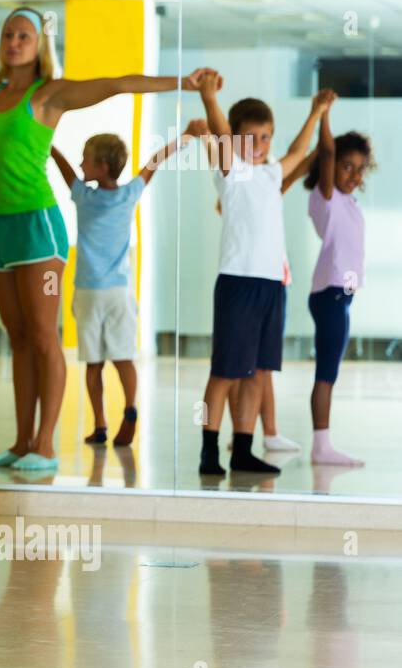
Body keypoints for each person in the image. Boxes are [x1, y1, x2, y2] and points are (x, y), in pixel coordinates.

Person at [0, 6, 212, 470]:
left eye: (23, 35)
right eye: (7, 34)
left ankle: (44, 444)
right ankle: (21, 442)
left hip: (37, 227)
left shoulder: (50, 94)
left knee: (43, 337)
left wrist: (185, 82)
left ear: (40, 44)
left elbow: (118, 83)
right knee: (17, 338)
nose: (13, 42)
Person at [196, 76, 333, 475]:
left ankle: (243, 448)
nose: (261, 146)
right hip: (237, 282)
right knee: (224, 372)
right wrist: (210, 98)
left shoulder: (272, 174)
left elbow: (298, 150)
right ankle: (208, 449)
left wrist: (316, 112)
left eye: (266, 137)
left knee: (259, 371)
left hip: (271, 285)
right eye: (252, 138)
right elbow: (221, 132)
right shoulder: (232, 172)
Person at [51, 121, 206, 446]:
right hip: (119, 292)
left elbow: (63, 166)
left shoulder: (82, 196)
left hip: (88, 293)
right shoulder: (129, 194)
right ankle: (130, 410)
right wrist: (185, 137)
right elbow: (153, 163)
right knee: (124, 357)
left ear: (102, 166)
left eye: (86, 158)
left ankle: (100, 425)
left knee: (93, 363)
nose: (80, 164)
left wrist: (46, 141)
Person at [305, 94, 373, 466]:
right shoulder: (325, 195)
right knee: (326, 372)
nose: (354, 175)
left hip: (340, 295)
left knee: (331, 370)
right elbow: (327, 154)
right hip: (330, 294)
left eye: (360, 169)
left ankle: (322, 442)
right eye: (347, 167)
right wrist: (324, 115)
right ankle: (321, 445)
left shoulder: (348, 202)